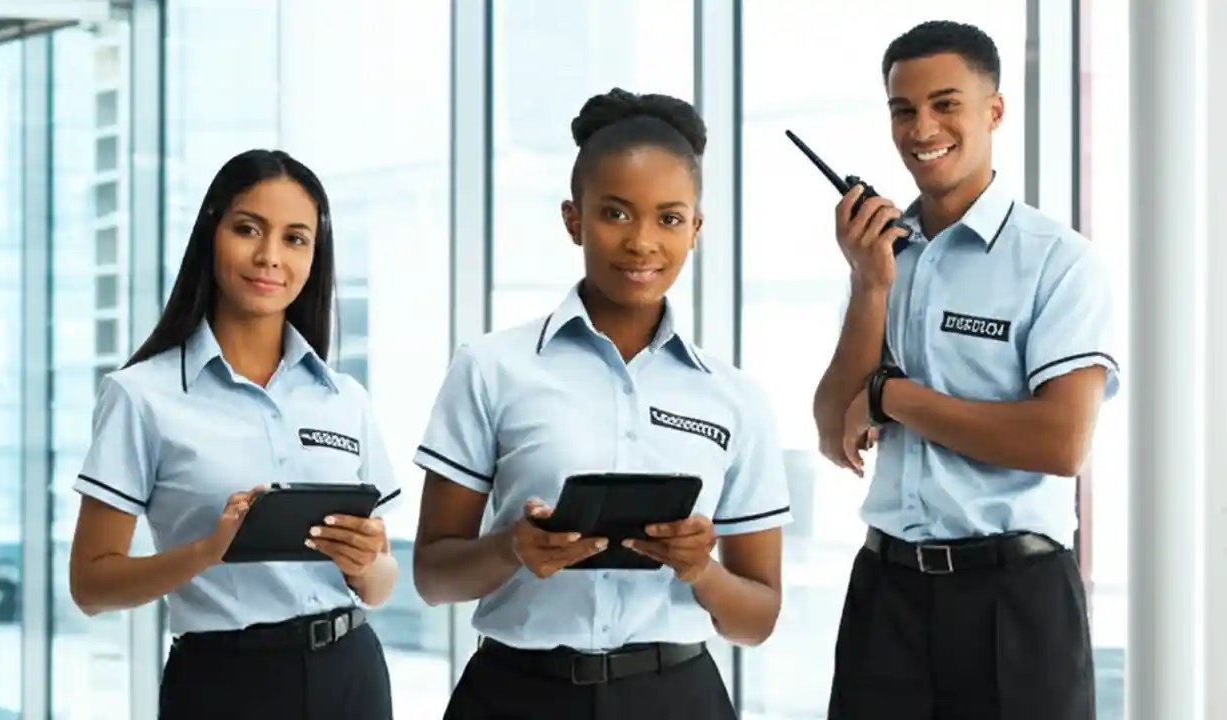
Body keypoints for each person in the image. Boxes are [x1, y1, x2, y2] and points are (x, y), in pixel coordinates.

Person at [412, 88, 792, 720]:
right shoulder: (491, 367)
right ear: (574, 219)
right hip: (516, 697)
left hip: (678, 698)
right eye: (616, 214)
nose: (643, 242)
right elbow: (431, 577)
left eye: (669, 218)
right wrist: (512, 548)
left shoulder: (735, 399)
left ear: (696, 229)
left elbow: (757, 619)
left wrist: (703, 571)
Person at [811, 20, 1119, 720]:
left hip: (1016, 599)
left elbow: (1060, 443)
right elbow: (836, 435)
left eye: (945, 104)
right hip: (886, 594)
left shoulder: (1057, 262)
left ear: (994, 111)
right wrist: (869, 286)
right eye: (903, 109)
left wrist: (897, 397)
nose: (922, 128)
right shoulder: (882, 260)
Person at [67, 149, 402, 720]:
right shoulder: (142, 395)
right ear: (212, 231)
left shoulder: (344, 397)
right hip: (223, 684)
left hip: (351, 675)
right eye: (249, 229)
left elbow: (380, 585)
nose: (270, 257)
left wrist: (364, 562)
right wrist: (207, 551)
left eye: (295, 239)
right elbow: (91, 585)